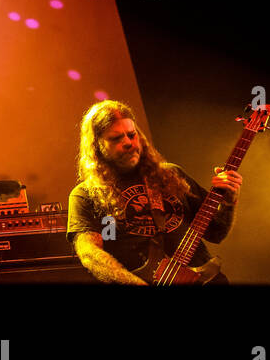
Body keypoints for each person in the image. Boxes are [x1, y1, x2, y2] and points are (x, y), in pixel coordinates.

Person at [66, 100, 241, 284]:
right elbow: (90, 255)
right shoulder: (84, 195)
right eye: (116, 138)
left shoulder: (171, 174)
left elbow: (217, 232)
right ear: (96, 146)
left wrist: (229, 201)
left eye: (131, 135)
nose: (128, 142)